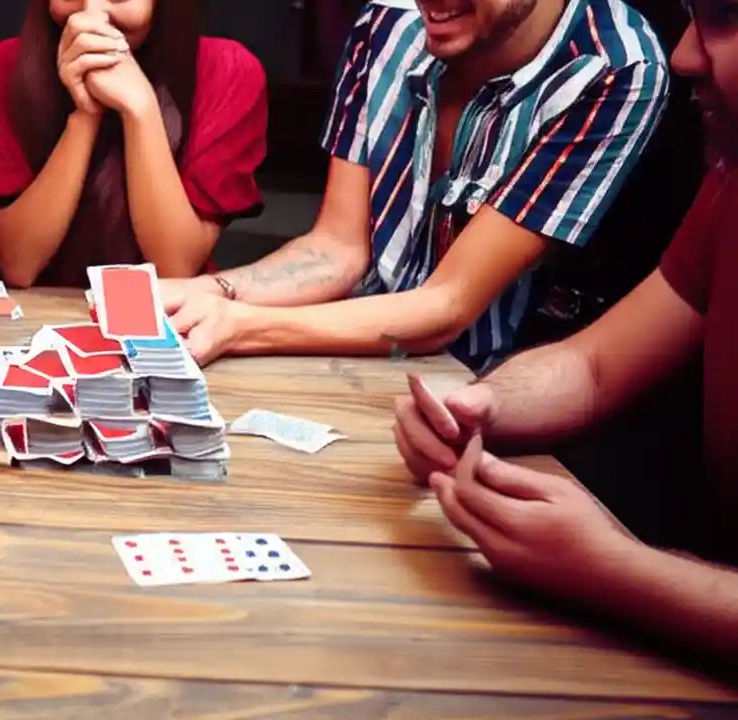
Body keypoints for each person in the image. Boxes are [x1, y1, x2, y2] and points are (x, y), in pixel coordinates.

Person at [392, 0, 738, 659]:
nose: (684, 55)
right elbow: (595, 366)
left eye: (724, 20)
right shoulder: (728, 187)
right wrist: (481, 406)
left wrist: (620, 571)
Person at [162, 0, 668, 372]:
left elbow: (446, 306)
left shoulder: (613, 66)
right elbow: (338, 247)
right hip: (344, 356)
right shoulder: (387, 20)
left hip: (485, 394)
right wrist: (207, 292)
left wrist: (239, 324)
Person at [0, 0, 268, 288]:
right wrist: (85, 115)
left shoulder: (227, 71)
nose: (90, 16)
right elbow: (18, 266)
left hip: (167, 318)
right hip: (32, 316)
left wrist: (140, 108)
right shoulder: (6, 67)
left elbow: (174, 269)